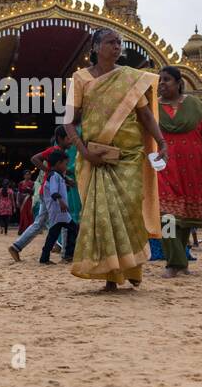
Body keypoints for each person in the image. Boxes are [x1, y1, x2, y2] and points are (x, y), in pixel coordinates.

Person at [63, 28, 167, 290]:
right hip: (97, 157)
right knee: (103, 216)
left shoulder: (130, 78)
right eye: (110, 42)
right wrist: (84, 152)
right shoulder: (80, 78)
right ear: (96, 47)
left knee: (130, 210)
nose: (117, 47)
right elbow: (69, 122)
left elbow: (145, 116)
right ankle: (110, 276)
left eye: (119, 43)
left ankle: (132, 267)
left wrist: (162, 141)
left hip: (130, 156)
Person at [156, 66, 202, 277]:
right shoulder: (152, 108)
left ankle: (181, 262)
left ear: (179, 83)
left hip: (194, 168)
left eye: (166, 80)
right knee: (166, 216)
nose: (162, 84)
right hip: (164, 167)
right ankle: (173, 262)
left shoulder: (196, 106)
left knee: (185, 218)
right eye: (159, 80)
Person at [8, 132, 68, 261]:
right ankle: (65, 252)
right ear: (60, 139)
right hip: (50, 192)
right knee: (63, 221)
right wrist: (49, 171)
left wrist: (66, 179)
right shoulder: (54, 150)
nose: (71, 141)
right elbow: (34, 158)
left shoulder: (60, 153)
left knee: (41, 223)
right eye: (68, 138)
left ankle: (17, 246)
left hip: (47, 191)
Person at [38, 152, 77, 264]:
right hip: (58, 210)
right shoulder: (54, 176)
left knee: (56, 233)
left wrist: (67, 185)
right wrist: (61, 202)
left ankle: (46, 257)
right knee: (68, 230)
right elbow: (54, 192)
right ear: (58, 163)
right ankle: (67, 254)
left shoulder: (57, 176)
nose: (66, 166)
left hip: (60, 210)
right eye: (65, 164)